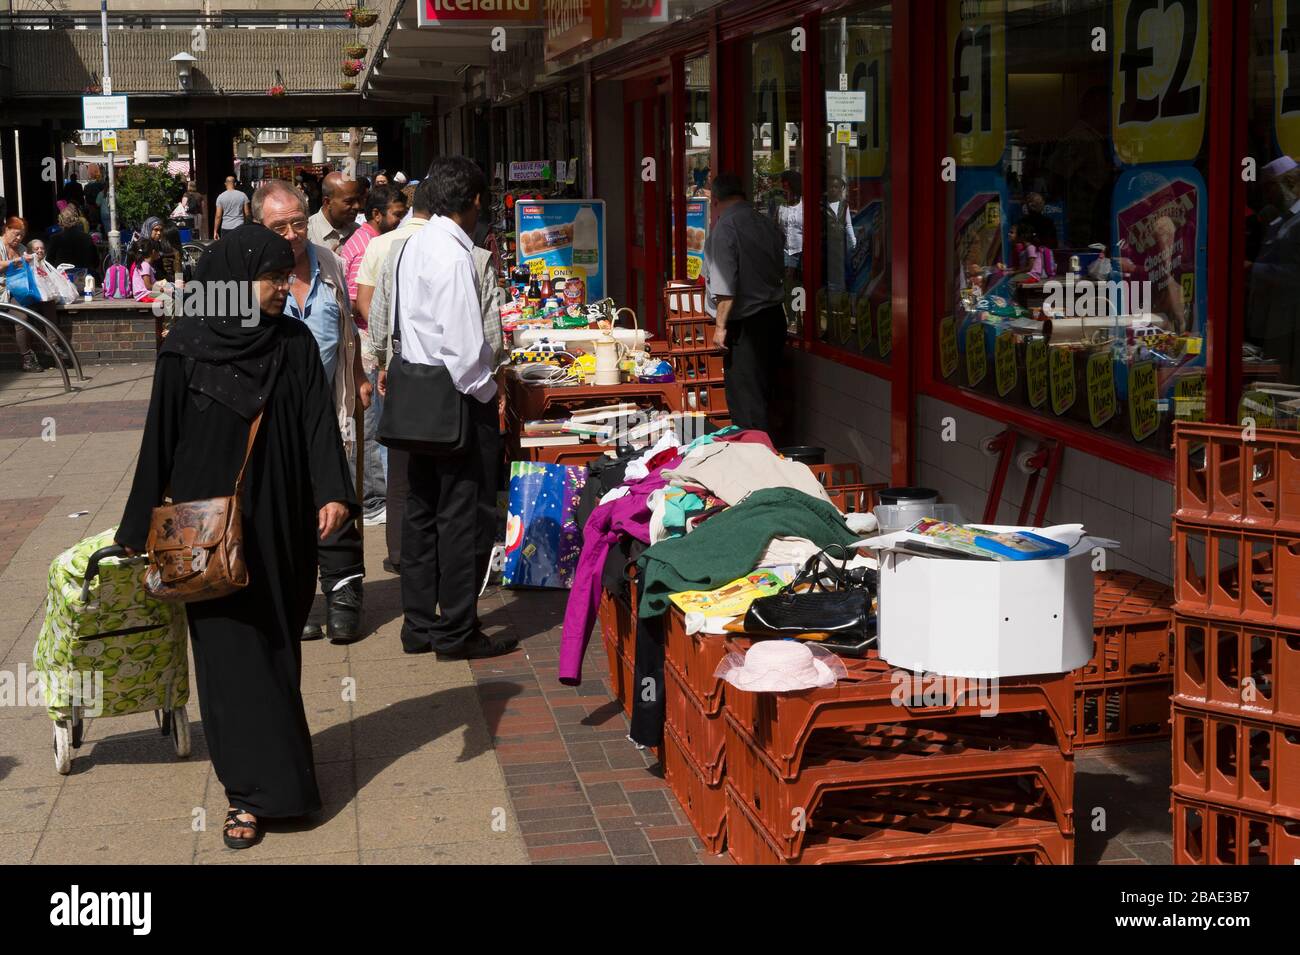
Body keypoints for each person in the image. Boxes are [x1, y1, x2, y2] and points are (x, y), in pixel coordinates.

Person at [115, 225, 357, 850]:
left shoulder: (293, 342)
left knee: (277, 647)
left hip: (279, 521)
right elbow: (159, 439)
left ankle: (286, 777)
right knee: (226, 660)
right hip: (204, 531)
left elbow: (316, 423)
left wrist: (331, 492)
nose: (284, 288)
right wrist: (138, 525)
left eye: (288, 275)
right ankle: (247, 795)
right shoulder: (186, 346)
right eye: (273, 277)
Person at [385, 159, 517, 660]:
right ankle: (457, 630)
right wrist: (490, 395)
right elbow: (464, 352)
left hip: (416, 393)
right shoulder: (454, 256)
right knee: (463, 518)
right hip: (455, 398)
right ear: (475, 202)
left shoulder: (412, 242)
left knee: (421, 511)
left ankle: (418, 625)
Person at [253, 179, 369, 642]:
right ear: (259, 226)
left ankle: (344, 596)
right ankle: (295, 600)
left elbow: (347, 328)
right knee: (283, 507)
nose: (292, 234)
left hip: (328, 407)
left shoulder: (330, 262)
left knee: (335, 499)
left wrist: (359, 375)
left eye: (298, 223)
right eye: (279, 226)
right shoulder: (241, 273)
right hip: (271, 416)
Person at [354, 183, 430, 574]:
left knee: (394, 457)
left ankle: (399, 551)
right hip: (437, 369)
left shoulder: (382, 245)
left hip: (393, 361)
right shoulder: (454, 247)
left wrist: (386, 349)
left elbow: (366, 303)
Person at [340, 184, 406, 526]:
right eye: (396, 214)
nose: (401, 220)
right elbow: (357, 299)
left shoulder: (368, 240)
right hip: (367, 343)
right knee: (371, 424)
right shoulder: (369, 244)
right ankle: (373, 499)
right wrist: (382, 344)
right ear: (377, 215)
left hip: (370, 341)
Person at [703, 173, 786, 434]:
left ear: (715, 200)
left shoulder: (726, 228)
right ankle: (769, 457)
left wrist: (720, 327)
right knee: (765, 393)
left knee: (747, 403)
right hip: (774, 318)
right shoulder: (764, 222)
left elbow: (725, 287)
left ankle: (758, 464)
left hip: (746, 325)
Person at [308, 172, 363, 252]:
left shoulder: (357, 231)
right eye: (349, 201)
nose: (357, 206)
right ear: (327, 202)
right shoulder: (307, 234)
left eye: (358, 200)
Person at [46, 205, 99, 278]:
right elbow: (95, 262)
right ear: (77, 220)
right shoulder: (87, 237)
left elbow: (49, 263)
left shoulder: (55, 238)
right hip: (83, 278)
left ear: (60, 221)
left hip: (62, 279)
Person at [776, 170, 804, 283]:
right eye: (784, 190)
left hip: (803, 252)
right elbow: (776, 229)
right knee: (789, 283)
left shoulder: (805, 206)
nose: (785, 193)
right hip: (786, 251)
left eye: (788, 189)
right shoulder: (781, 207)